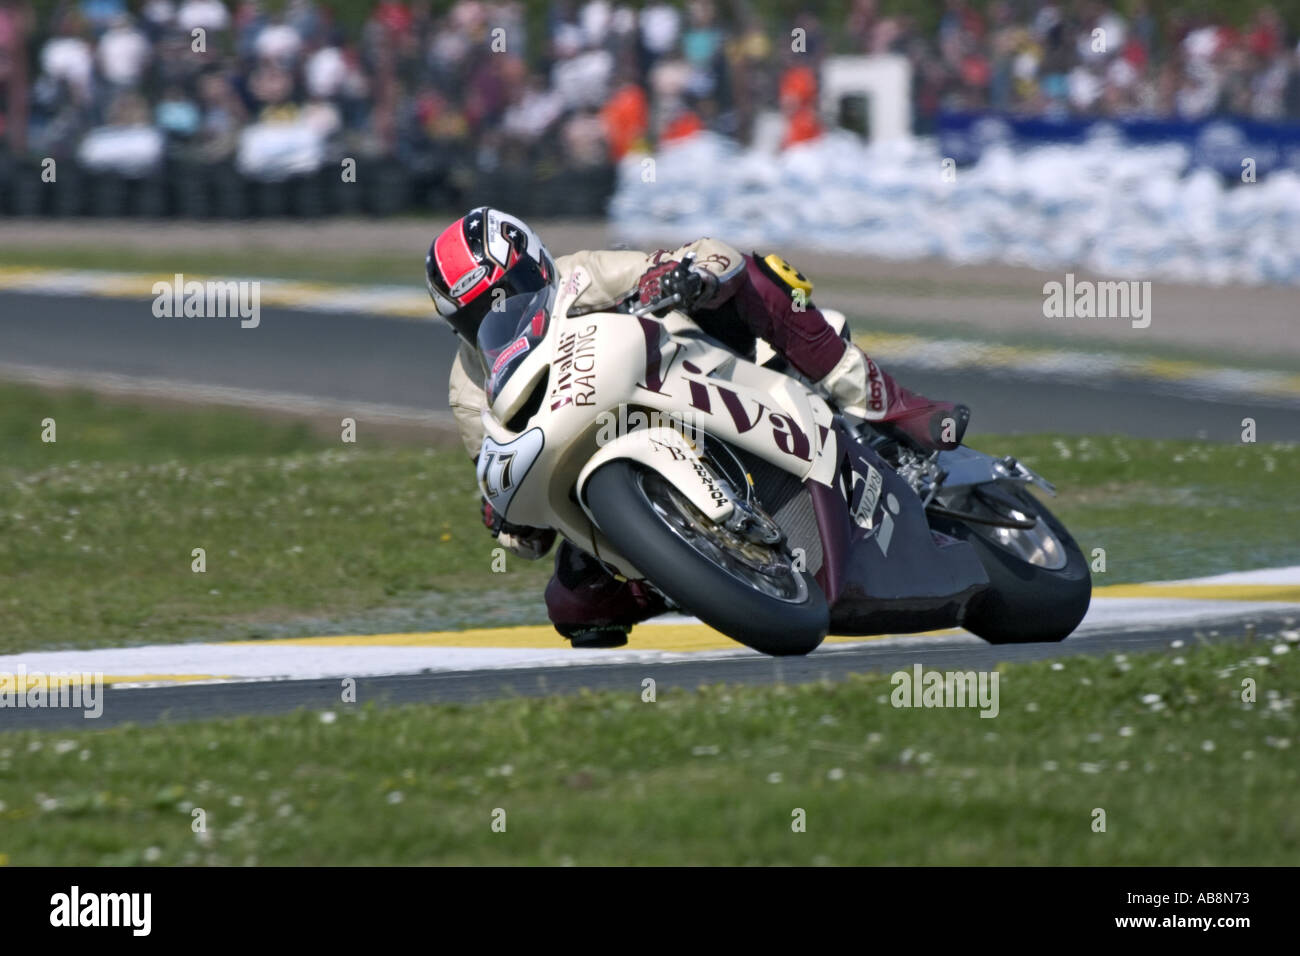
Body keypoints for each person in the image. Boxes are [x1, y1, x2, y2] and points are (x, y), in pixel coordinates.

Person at [428, 207, 968, 647]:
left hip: (688, 371)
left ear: (538, 264)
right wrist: (505, 517)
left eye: (513, 289)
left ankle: (891, 405)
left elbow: (706, 255)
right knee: (575, 607)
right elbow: (502, 476)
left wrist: (688, 272)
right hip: (592, 450)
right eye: (478, 314)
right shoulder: (467, 387)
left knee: (758, 274)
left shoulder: (581, 274)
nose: (504, 312)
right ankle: (693, 567)